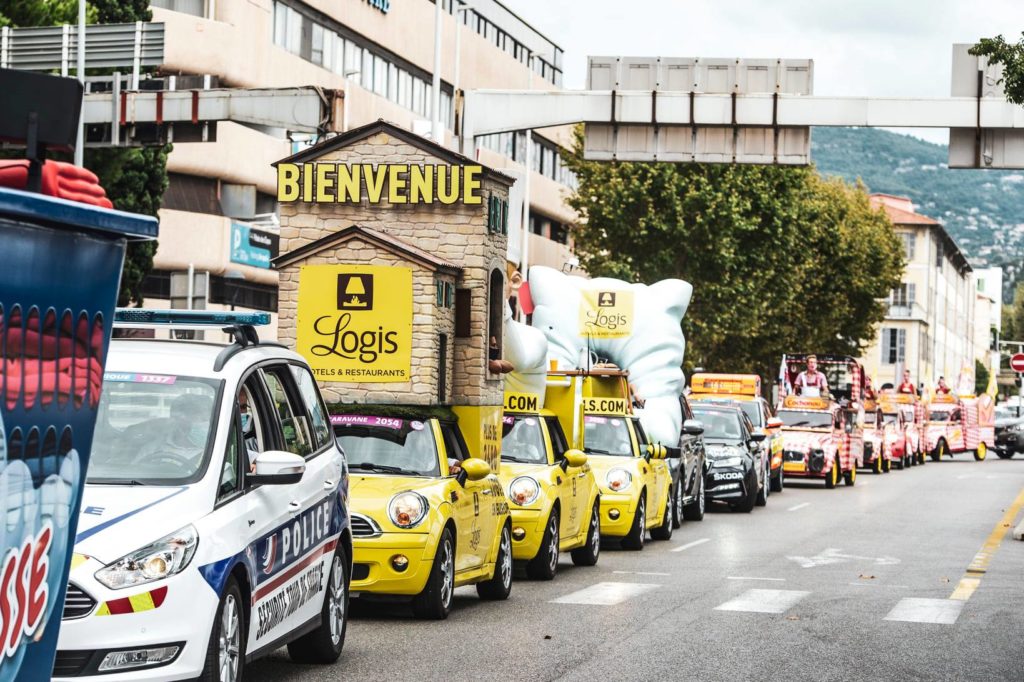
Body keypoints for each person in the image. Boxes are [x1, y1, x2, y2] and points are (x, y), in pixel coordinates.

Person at [238, 389, 260, 472]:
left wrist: (253, 460)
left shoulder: (256, 430)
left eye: (243, 407)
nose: (239, 412)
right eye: (235, 407)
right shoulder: (218, 429)